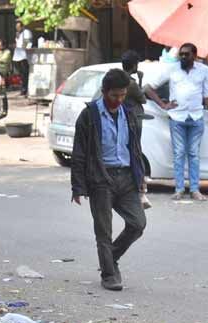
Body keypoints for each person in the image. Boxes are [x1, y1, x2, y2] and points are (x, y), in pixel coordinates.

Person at [71, 69, 146, 292]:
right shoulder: (89, 115)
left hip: (126, 178)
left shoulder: (129, 113)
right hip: (100, 178)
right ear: (104, 92)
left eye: (123, 95)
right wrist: (77, 186)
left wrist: (140, 177)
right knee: (103, 231)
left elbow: (135, 148)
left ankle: (110, 257)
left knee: (137, 224)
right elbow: (79, 153)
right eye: (114, 95)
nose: (118, 100)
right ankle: (109, 274)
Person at [145, 42, 208, 201]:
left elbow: (207, 97)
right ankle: (179, 189)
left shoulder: (203, 71)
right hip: (177, 118)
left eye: (186, 54)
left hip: (196, 117)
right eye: (181, 54)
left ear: (194, 56)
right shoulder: (172, 69)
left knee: (194, 154)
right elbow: (148, 88)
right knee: (179, 153)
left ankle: (195, 190)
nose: (183, 57)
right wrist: (163, 105)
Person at [120, 50, 151, 209]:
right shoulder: (130, 82)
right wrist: (140, 80)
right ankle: (140, 189)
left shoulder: (119, 79)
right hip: (134, 120)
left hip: (125, 120)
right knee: (136, 152)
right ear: (134, 65)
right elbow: (142, 99)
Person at [13, 20, 33, 96]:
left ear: (22, 27)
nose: (17, 29)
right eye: (16, 27)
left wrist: (23, 47)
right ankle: (22, 88)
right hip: (18, 55)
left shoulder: (26, 32)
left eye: (18, 27)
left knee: (25, 73)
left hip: (24, 55)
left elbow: (27, 43)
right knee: (21, 74)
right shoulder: (18, 34)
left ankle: (25, 89)